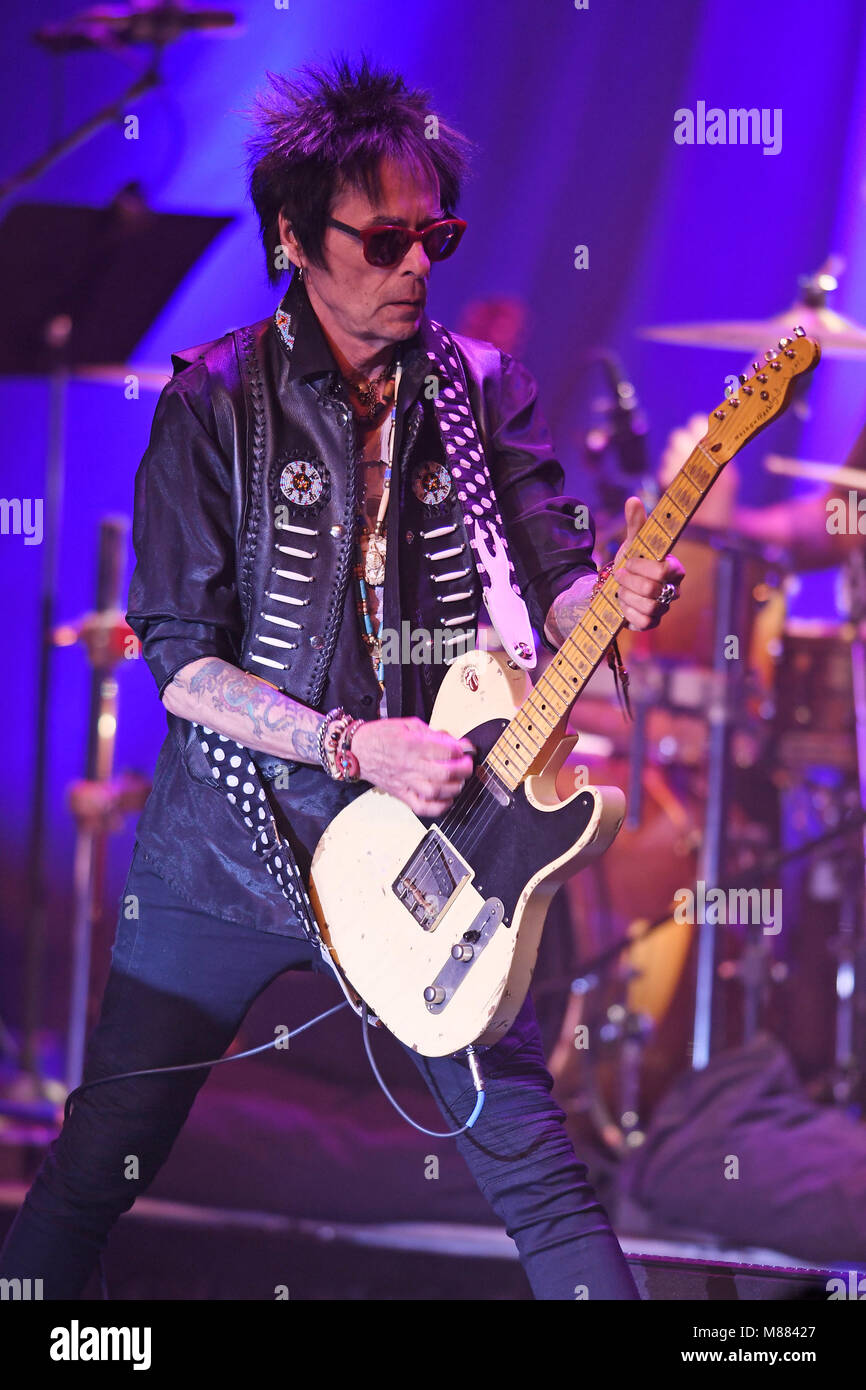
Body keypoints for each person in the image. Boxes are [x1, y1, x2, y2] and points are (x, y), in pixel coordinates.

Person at [0, 56, 684, 1301]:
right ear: (293, 237)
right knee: (100, 1159)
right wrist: (347, 746)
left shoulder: (482, 389)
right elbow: (177, 661)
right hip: (229, 847)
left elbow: (555, 584)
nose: (418, 262)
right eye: (382, 238)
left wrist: (613, 600)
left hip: (434, 851)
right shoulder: (212, 402)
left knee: (535, 1171)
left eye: (436, 233)